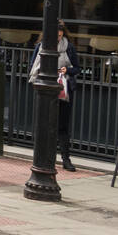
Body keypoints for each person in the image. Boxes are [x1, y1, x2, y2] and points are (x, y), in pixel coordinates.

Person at [29, 21, 79, 172]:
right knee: (44, 125)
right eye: (56, 32)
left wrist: (67, 70)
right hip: (45, 91)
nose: (58, 35)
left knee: (62, 126)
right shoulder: (41, 47)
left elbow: (77, 68)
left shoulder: (68, 47)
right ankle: (43, 157)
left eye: (61, 32)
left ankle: (66, 159)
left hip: (64, 91)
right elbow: (33, 66)